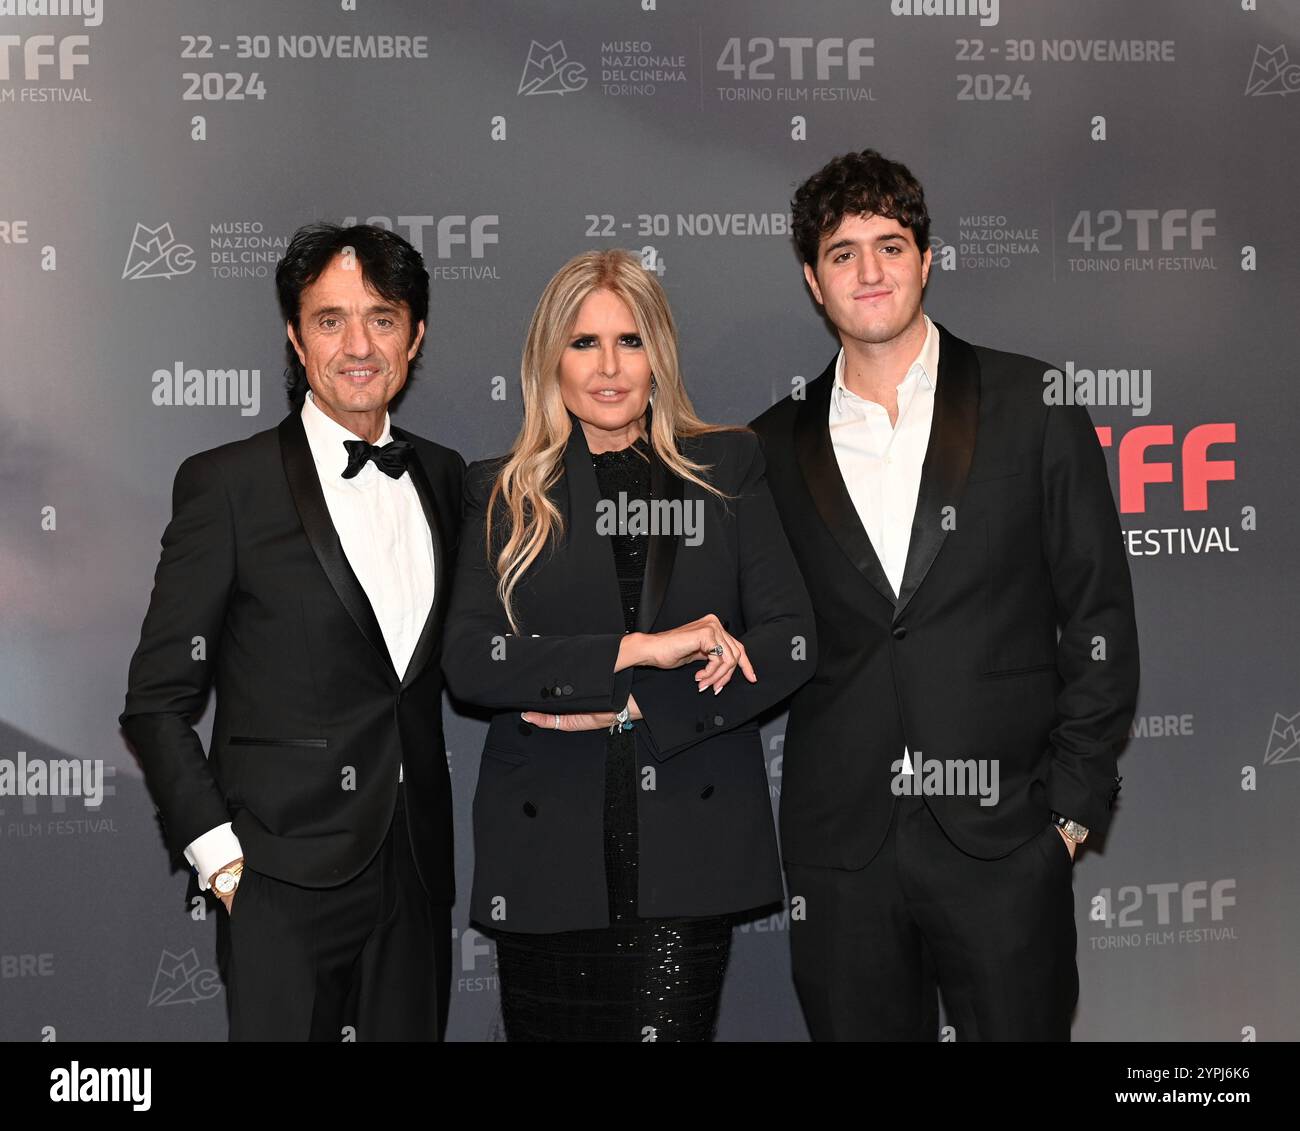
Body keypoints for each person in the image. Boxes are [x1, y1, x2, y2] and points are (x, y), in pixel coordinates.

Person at [749, 150, 1140, 1041]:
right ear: (814, 280)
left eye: (891, 243)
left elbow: (1100, 619)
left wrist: (1068, 819)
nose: (871, 269)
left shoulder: (1034, 401)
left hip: (1007, 844)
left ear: (928, 258)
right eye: (843, 252)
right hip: (841, 858)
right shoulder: (769, 447)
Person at [442, 248, 815, 1042]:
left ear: (660, 354)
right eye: (584, 343)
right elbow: (471, 661)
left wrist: (639, 706)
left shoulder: (728, 465)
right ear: (551, 359)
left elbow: (789, 643)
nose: (609, 367)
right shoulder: (502, 490)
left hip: (688, 835)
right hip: (546, 853)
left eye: (631, 340)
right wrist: (634, 652)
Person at [120, 223, 464, 1041]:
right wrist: (220, 859)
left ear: (414, 336)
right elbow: (156, 700)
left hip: (415, 879)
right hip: (278, 880)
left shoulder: (446, 476)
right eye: (329, 319)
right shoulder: (226, 485)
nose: (358, 345)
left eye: (381, 318)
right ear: (295, 337)